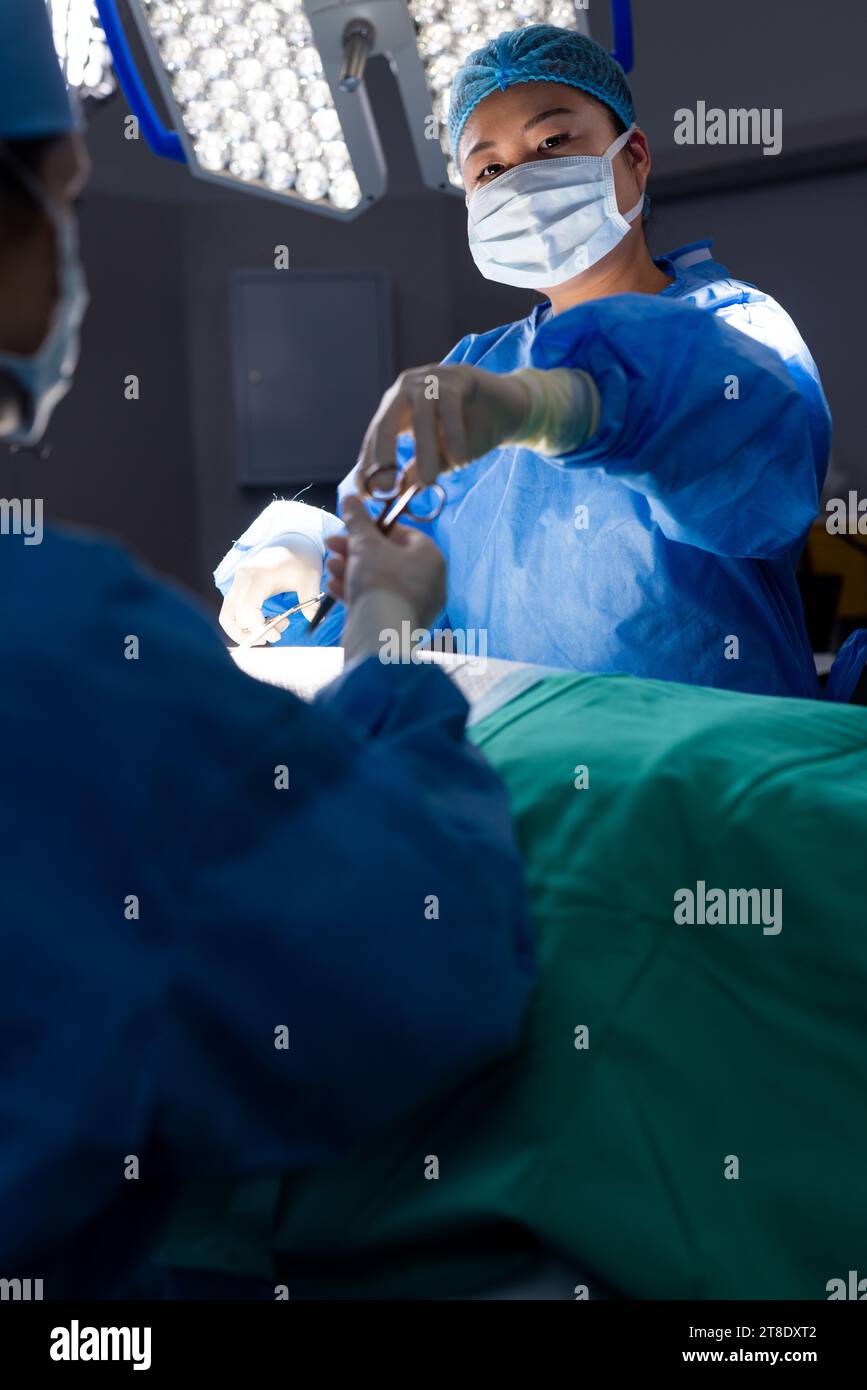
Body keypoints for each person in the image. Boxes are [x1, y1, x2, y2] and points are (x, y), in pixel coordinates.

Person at [0, 0, 533, 1296]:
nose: (73, 255)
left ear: (636, 161)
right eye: (66, 198)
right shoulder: (60, 657)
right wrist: (383, 641)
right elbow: (419, 949)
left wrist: (544, 406)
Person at [217, 24, 832, 700]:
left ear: (635, 157)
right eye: (488, 168)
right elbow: (397, 558)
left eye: (552, 142)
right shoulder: (477, 366)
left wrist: (557, 405)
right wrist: (313, 561)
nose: (523, 180)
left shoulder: (731, 328)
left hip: (717, 777)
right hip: (534, 773)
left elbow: (745, 480)